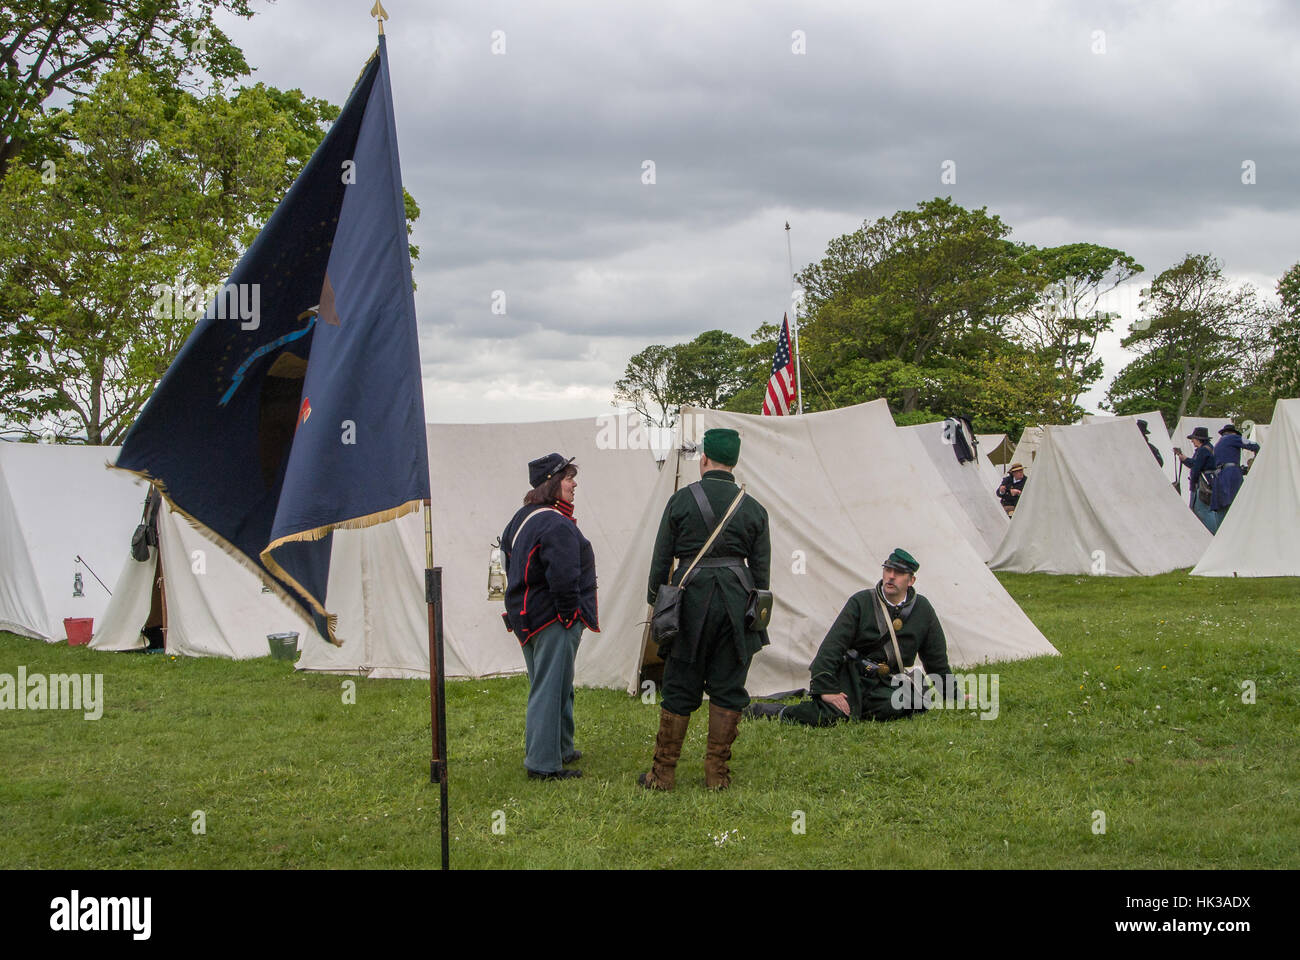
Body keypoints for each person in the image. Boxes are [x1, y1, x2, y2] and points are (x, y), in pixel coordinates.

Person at [639, 428, 771, 791]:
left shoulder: (680, 501)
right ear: (734, 462)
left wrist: (656, 599)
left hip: (689, 602)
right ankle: (717, 776)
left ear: (705, 460)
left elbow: (661, 558)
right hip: (736, 602)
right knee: (729, 686)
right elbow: (761, 575)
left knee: (680, 684)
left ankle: (662, 774)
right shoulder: (755, 509)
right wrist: (754, 611)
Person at [747, 548, 960, 725]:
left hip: (885, 682)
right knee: (833, 715)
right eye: (888, 570)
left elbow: (936, 660)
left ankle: (864, 708)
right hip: (851, 676)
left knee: (914, 703)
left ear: (911, 579)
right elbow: (832, 646)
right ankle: (772, 711)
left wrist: (953, 695)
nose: (891, 576)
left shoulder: (923, 610)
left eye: (899, 572)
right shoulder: (861, 602)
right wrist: (825, 689)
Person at [500, 453, 598, 781]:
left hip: (527, 616)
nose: (574, 483)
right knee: (548, 687)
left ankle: (561, 747)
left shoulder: (521, 518)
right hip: (551, 619)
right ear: (553, 484)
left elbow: (505, 560)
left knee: (555, 684)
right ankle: (543, 765)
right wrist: (569, 616)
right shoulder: (555, 522)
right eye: (568, 478)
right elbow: (564, 577)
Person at [1210, 423, 1260, 525]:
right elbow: (1254, 445)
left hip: (1220, 475)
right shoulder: (1233, 438)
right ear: (1233, 433)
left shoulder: (1218, 443)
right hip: (1231, 475)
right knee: (1237, 503)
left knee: (1223, 506)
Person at [1173, 427, 1218, 533]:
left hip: (1202, 484)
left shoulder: (1203, 450)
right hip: (1208, 482)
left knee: (1202, 510)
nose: (1192, 441)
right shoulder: (1207, 448)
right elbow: (1195, 464)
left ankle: (1212, 534)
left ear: (1199, 439)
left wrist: (1192, 485)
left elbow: (1196, 467)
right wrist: (1183, 458)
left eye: (1194, 439)